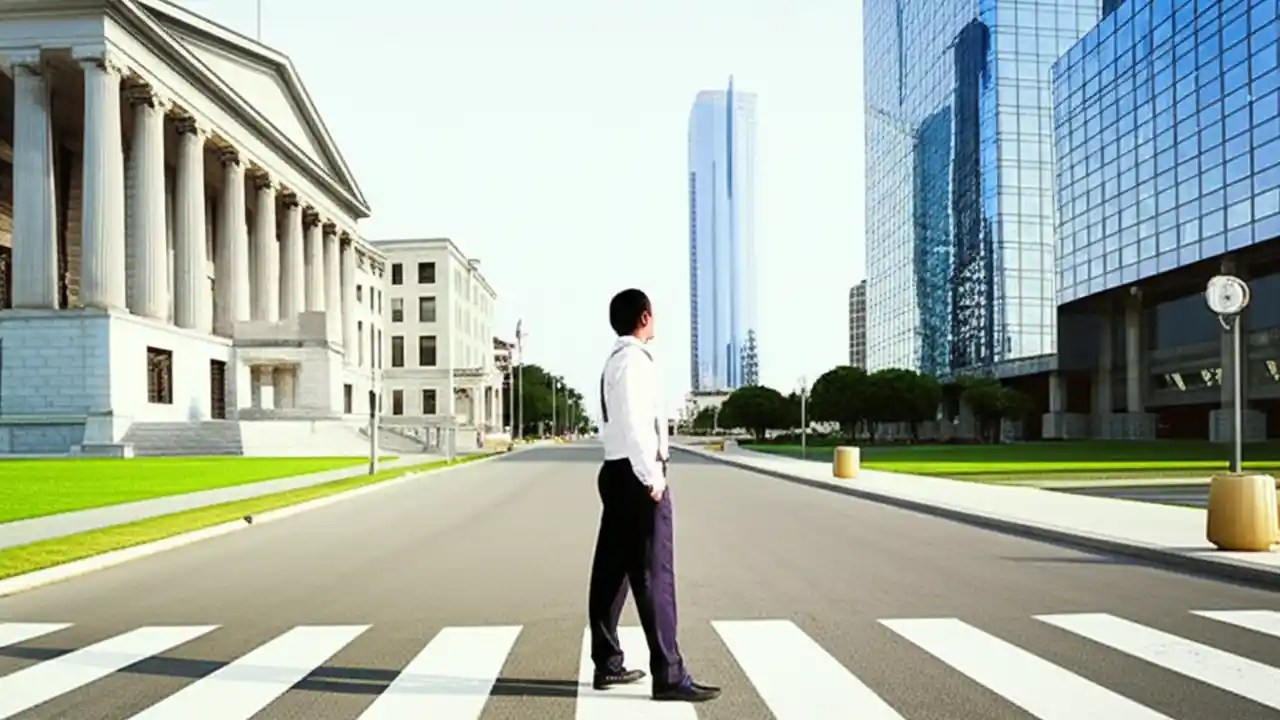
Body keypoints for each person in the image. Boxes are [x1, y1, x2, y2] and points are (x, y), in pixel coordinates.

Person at [587, 288, 720, 703]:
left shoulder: (615, 360)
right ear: (644, 317)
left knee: (612, 571)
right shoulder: (634, 361)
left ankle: (607, 662)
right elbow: (636, 422)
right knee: (653, 575)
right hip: (636, 474)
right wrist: (652, 477)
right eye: (654, 314)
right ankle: (669, 675)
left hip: (617, 471)